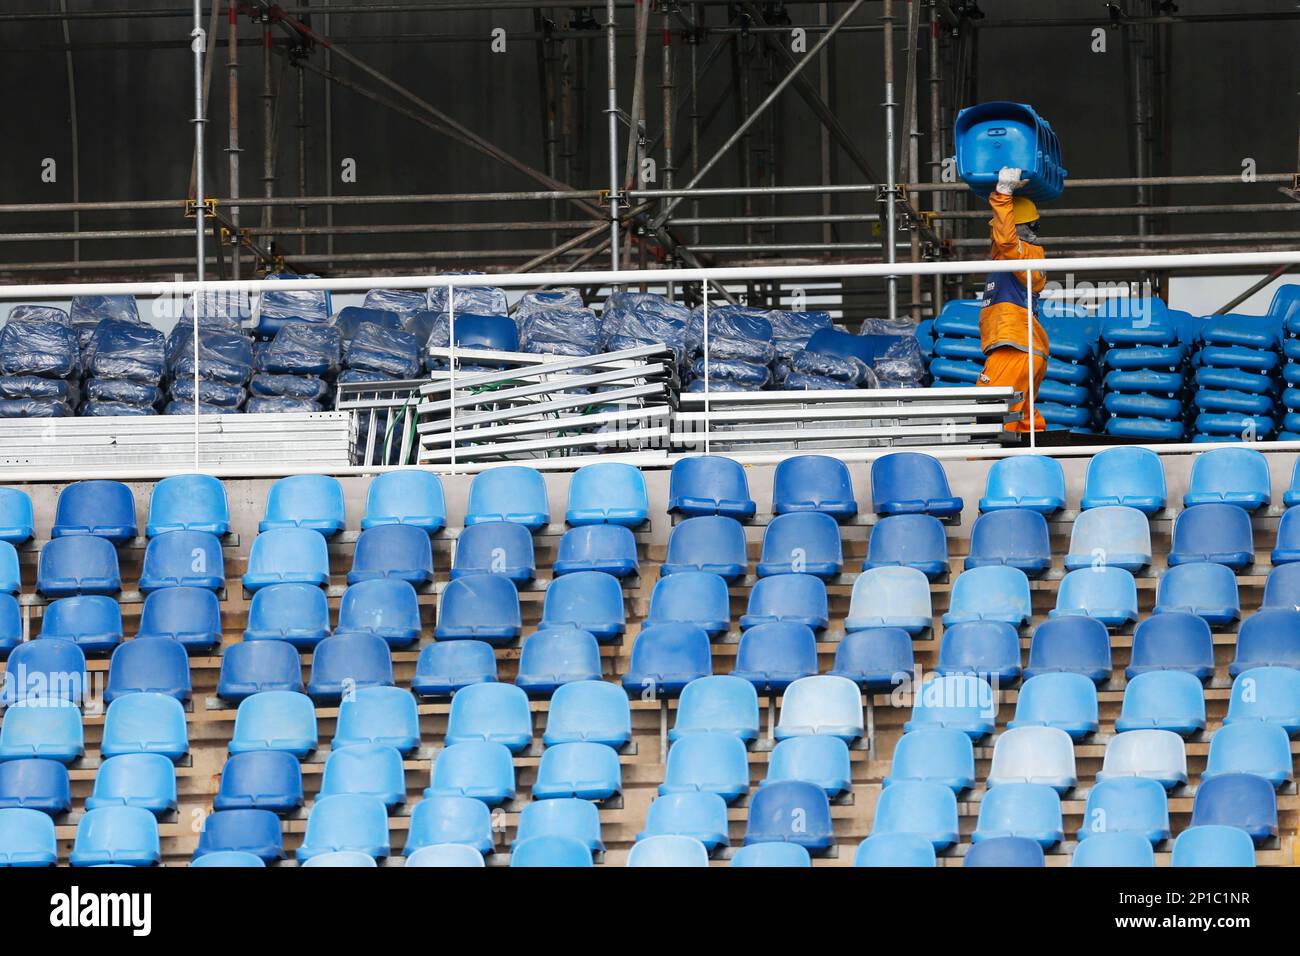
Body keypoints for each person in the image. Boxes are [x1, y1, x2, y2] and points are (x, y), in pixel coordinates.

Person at [977, 165, 1050, 433]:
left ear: (1020, 226)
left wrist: (1003, 193)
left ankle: (981, 471)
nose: (995, 233)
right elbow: (1002, 239)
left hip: (1014, 348)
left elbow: (1006, 240)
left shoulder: (1020, 253)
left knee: (988, 412)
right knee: (1022, 421)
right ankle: (1035, 467)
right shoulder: (1019, 257)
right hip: (1024, 350)